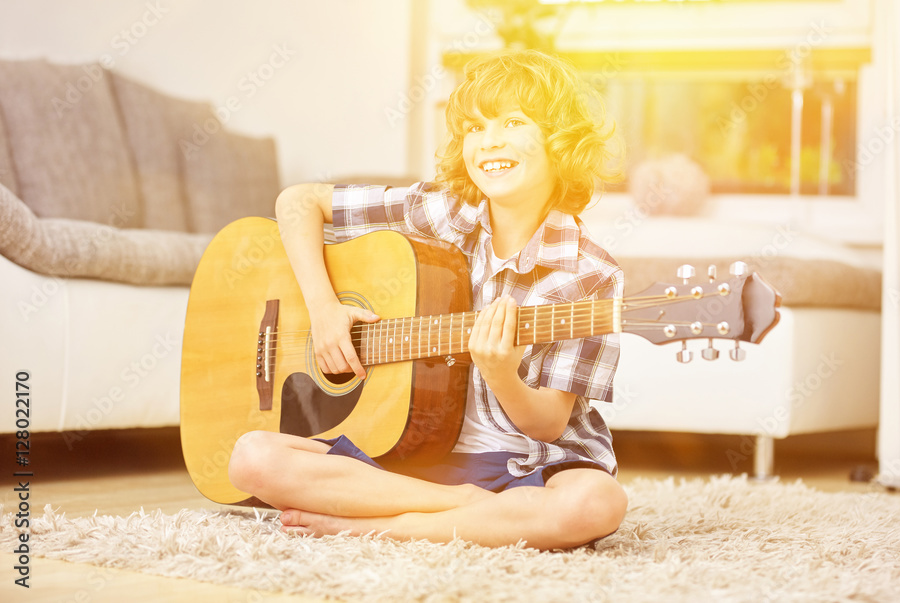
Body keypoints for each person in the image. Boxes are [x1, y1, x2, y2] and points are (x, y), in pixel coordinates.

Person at [228, 49, 628, 550]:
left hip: (530, 463)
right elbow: (298, 201)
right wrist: (324, 310)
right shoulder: (441, 212)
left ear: (562, 141)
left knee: (597, 502)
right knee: (251, 458)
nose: (490, 142)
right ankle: (463, 510)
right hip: (415, 454)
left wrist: (501, 371)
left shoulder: (589, 274)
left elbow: (547, 423)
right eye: (475, 128)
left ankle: (381, 524)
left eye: (513, 122)